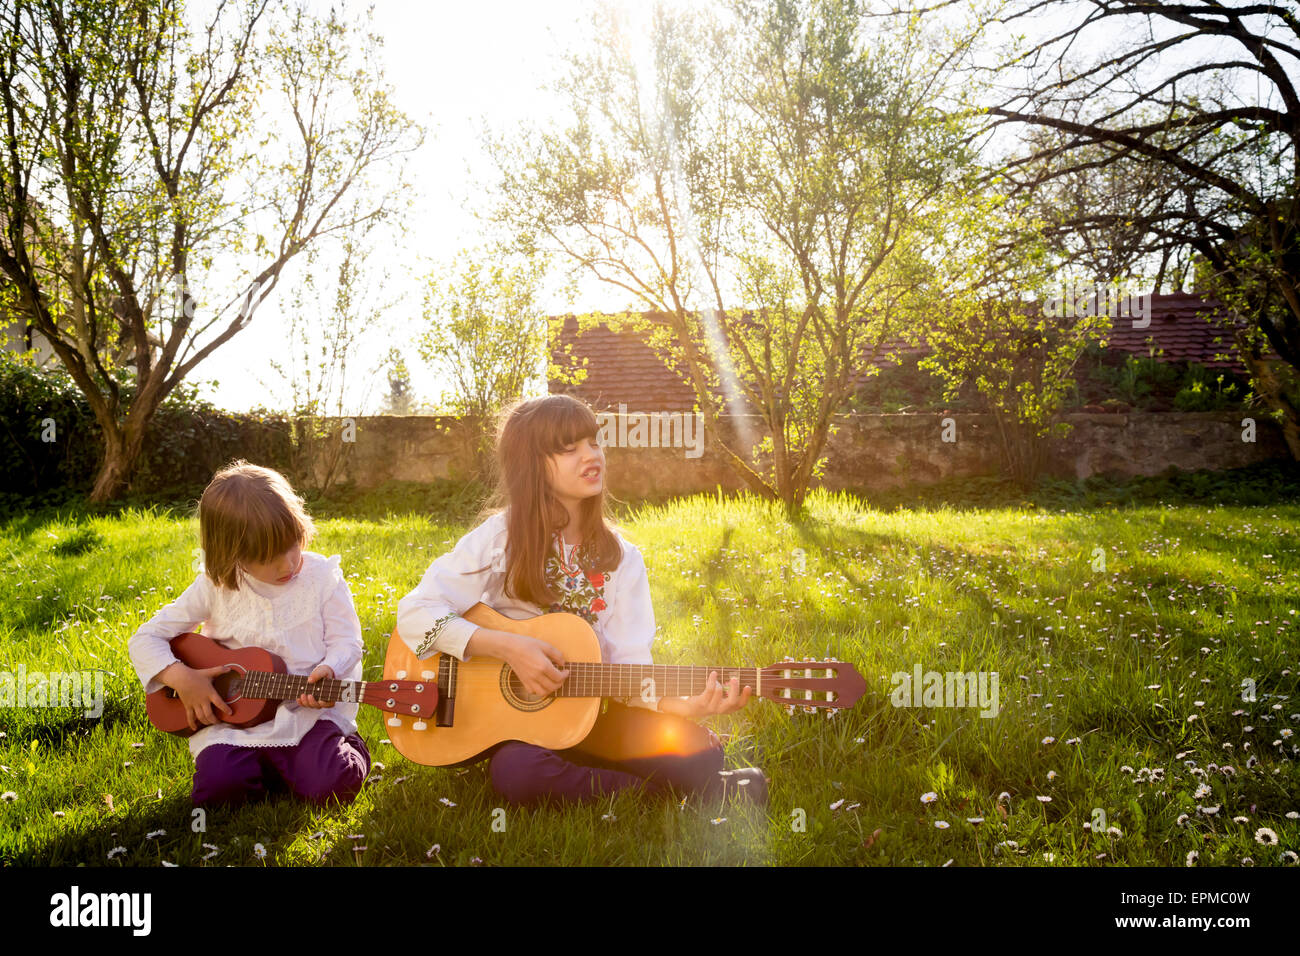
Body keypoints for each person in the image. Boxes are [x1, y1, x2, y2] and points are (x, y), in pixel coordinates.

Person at [396, 394, 767, 808]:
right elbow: (416, 612)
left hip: (598, 720)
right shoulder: (501, 538)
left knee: (699, 751)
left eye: (594, 442)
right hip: (523, 732)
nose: (591, 456)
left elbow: (630, 669)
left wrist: (682, 704)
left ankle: (635, 788)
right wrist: (507, 647)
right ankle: (658, 797)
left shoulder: (622, 558)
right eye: (569, 449)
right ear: (532, 467)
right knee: (516, 772)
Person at [128, 461, 370, 807]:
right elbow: (145, 639)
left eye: (293, 545)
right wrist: (182, 678)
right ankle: (273, 768)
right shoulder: (215, 585)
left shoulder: (323, 578)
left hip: (307, 716)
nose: (287, 564)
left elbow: (347, 642)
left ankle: (336, 751)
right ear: (232, 554)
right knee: (217, 793)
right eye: (269, 557)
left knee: (329, 786)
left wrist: (330, 669)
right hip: (235, 722)